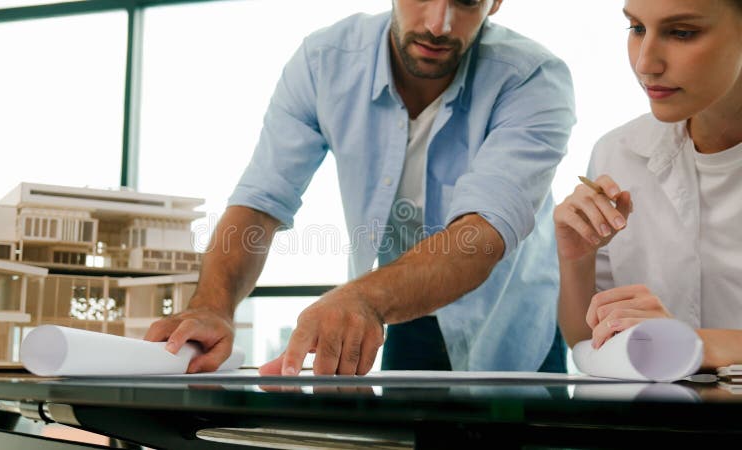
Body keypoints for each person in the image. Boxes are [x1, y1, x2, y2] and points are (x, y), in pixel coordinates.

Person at [146, 0, 576, 375]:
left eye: (466, 1)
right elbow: (259, 203)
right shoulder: (323, 64)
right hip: (402, 312)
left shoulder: (533, 80)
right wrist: (212, 307)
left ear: (495, 2)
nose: (438, 24)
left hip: (511, 321)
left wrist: (360, 298)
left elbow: (478, 238)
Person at [555, 0, 742, 369]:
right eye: (637, 29)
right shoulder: (617, 154)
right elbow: (585, 339)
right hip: (654, 424)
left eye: (682, 33)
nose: (645, 64)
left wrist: (693, 344)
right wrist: (577, 260)